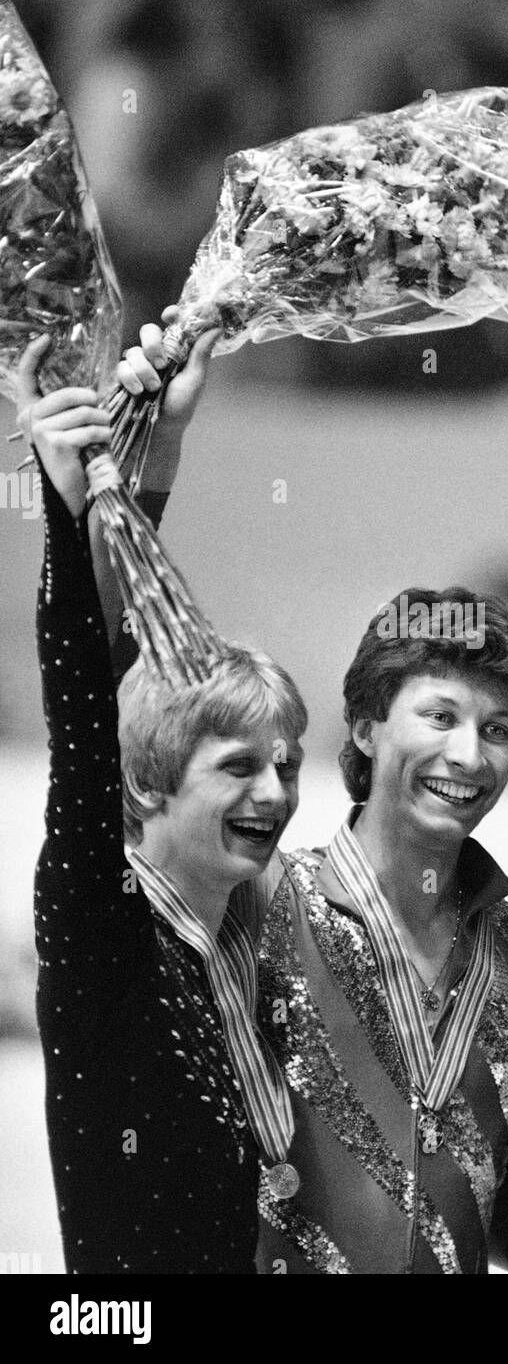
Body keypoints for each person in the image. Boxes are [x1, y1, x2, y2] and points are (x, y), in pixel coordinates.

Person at [99, 315, 508, 1274]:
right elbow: (115, 683)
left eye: (499, 729)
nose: (468, 755)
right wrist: (156, 449)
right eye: (439, 716)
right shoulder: (255, 902)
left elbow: (491, 1187)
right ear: (363, 726)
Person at [20, 334, 306, 1273]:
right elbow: (82, 696)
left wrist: (156, 438)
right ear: (145, 780)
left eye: (288, 764)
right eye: (238, 767)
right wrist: (75, 504)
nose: (274, 792)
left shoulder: (250, 941)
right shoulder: (104, 926)